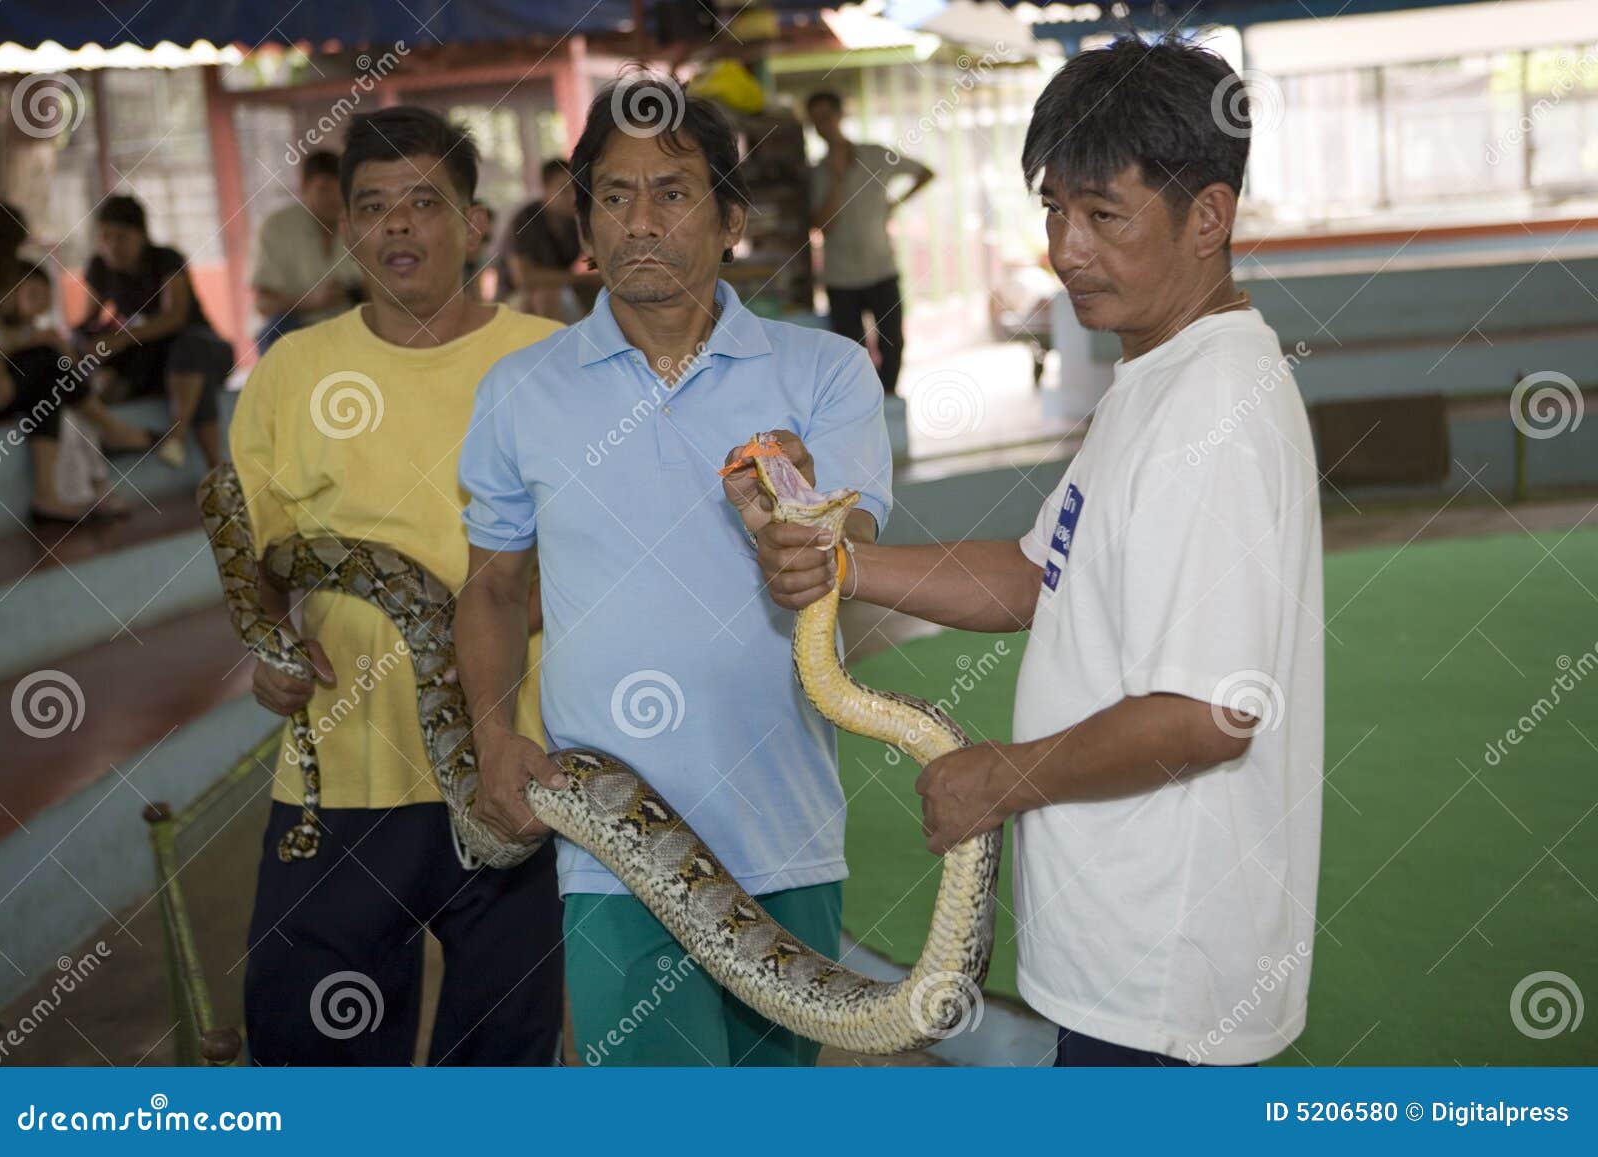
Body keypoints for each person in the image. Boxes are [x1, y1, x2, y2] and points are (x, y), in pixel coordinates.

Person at [750, 37, 1324, 1068]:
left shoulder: (1213, 410)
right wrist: (843, 563)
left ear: (1209, 217)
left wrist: (999, 778)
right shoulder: (1158, 376)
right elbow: (1034, 574)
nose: (1066, 249)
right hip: (1115, 958)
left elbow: (1207, 714)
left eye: (1104, 214)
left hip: (1164, 985)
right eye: (1054, 210)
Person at [454, 79, 891, 1067]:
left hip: (787, 831)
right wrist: (490, 732)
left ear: (732, 220)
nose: (641, 220)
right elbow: (492, 588)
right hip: (612, 851)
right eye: (614, 195)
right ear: (584, 223)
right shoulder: (521, 389)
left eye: (674, 192)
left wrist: (801, 515)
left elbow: (847, 549)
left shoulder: (823, 374)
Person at [228, 106, 565, 1066]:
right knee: (312, 1054)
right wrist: (268, 644)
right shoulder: (293, 370)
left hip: (515, 770)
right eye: (374, 206)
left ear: (474, 221)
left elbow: (605, 553)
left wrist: (484, 630)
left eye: (424, 201)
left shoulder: (553, 361)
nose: (399, 225)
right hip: (341, 775)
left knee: (502, 1057)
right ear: (346, 229)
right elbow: (255, 554)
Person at [76, 195, 233, 469]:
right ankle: (214, 469)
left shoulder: (165, 260)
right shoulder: (100, 268)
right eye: (105, 238)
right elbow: (87, 324)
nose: (113, 246)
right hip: (158, 363)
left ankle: (177, 440)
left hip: (205, 349)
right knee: (192, 375)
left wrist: (122, 339)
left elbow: (176, 317)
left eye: (121, 237)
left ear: (141, 235)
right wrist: (90, 348)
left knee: (189, 353)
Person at [806, 90, 934, 396]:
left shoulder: (876, 155)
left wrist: (895, 203)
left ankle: (888, 398)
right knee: (851, 352)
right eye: (816, 120)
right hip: (841, 277)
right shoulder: (817, 172)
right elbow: (822, 226)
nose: (823, 125)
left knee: (893, 343)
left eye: (827, 117)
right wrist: (837, 179)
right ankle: (864, 401)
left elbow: (925, 173)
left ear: (840, 116)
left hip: (881, 269)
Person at [0, 261, 132, 524]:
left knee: (67, 409)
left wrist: (58, 346)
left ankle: (95, 486)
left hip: (35, 399)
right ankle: (109, 442)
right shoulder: (22, 336)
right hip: (13, 398)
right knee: (51, 371)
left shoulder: (36, 332)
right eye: (30, 295)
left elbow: (72, 368)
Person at [250, 149, 360, 352]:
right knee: (274, 331)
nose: (334, 198)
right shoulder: (278, 226)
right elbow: (263, 304)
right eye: (324, 189)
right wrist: (311, 302)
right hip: (297, 327)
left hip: (352, 323)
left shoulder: (361, 222)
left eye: (340, 189)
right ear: (304, 187)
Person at [500, 159, 602, 321]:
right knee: (546, 296)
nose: (573, 197)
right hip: (516, 298)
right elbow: (524, 278)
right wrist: (583, 279)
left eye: (576, 189)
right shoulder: (525, 220)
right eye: (564, 190)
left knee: (602, 291)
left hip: (560, 290)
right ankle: (557, 338)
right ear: (546, 191)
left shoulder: (575, 221)